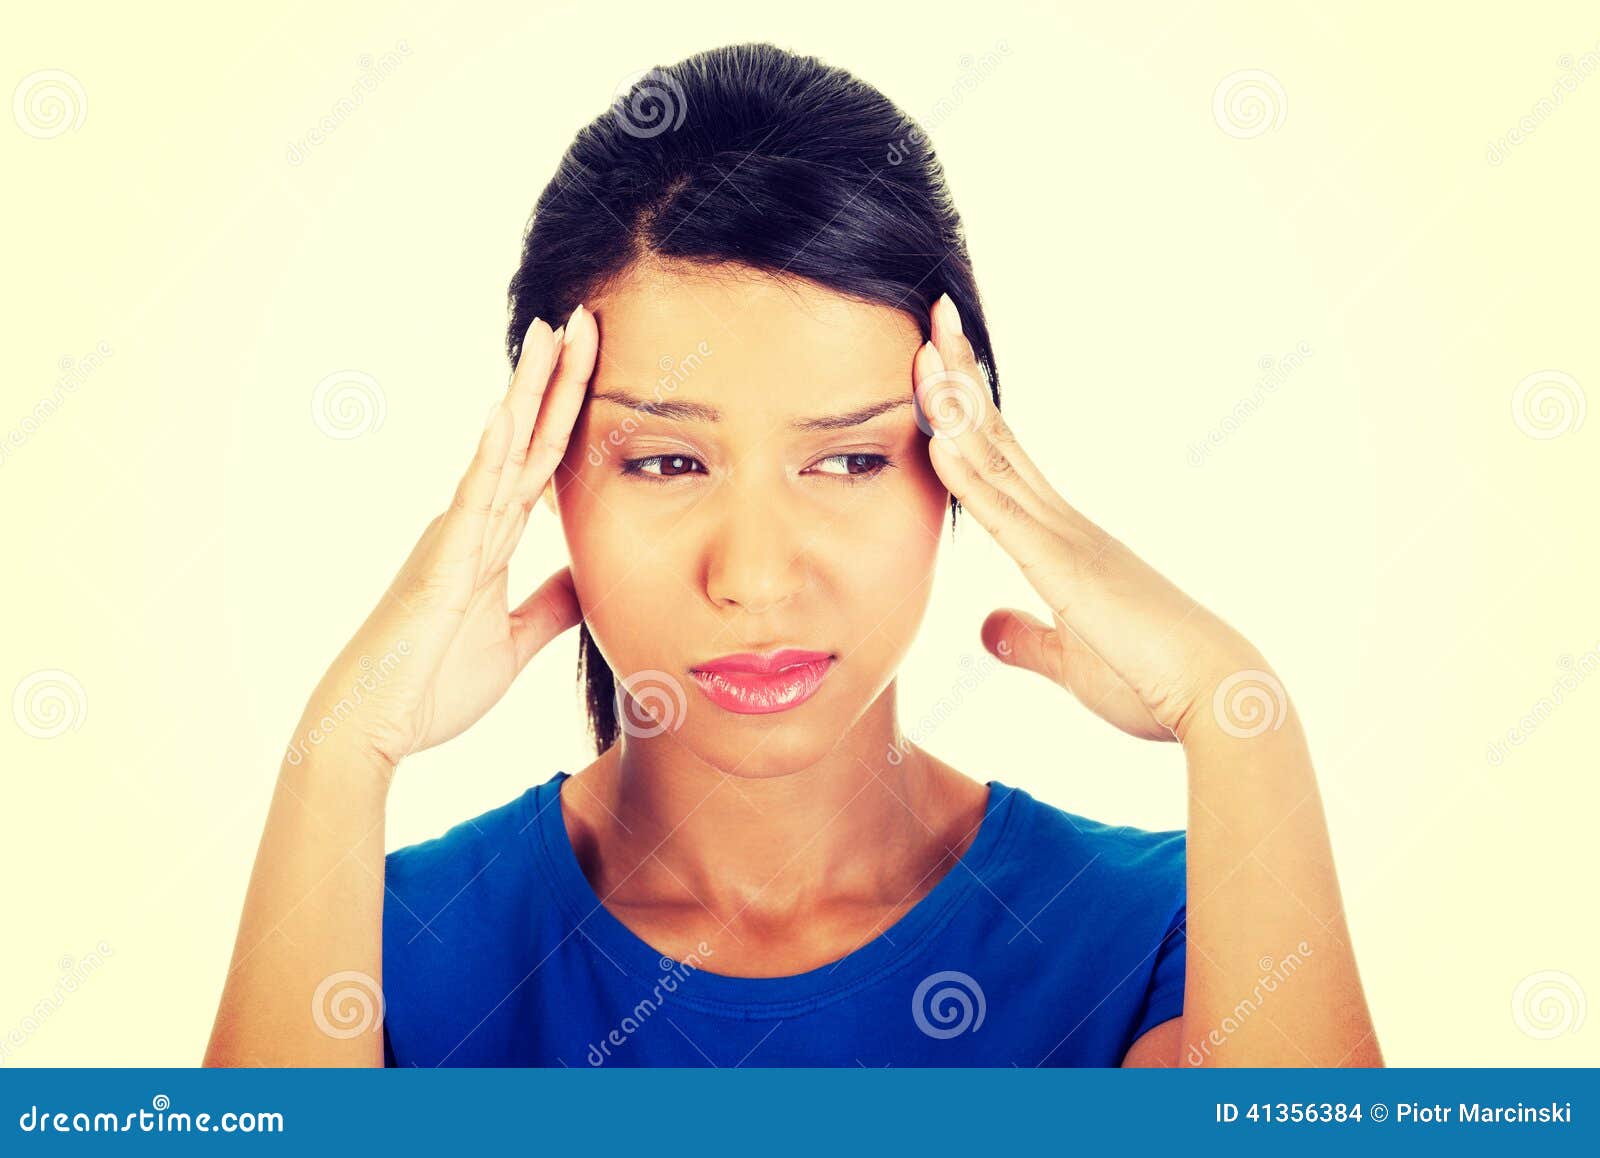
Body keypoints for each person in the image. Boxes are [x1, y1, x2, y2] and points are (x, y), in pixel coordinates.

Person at [204, 42, 1380, 1068]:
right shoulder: (373, 952)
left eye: (849, 461)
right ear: (543, 471)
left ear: (963, 466)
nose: (755, 579)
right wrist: (339, 750)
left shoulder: (1167, 934)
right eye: (665, 463)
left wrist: (1237, 716)